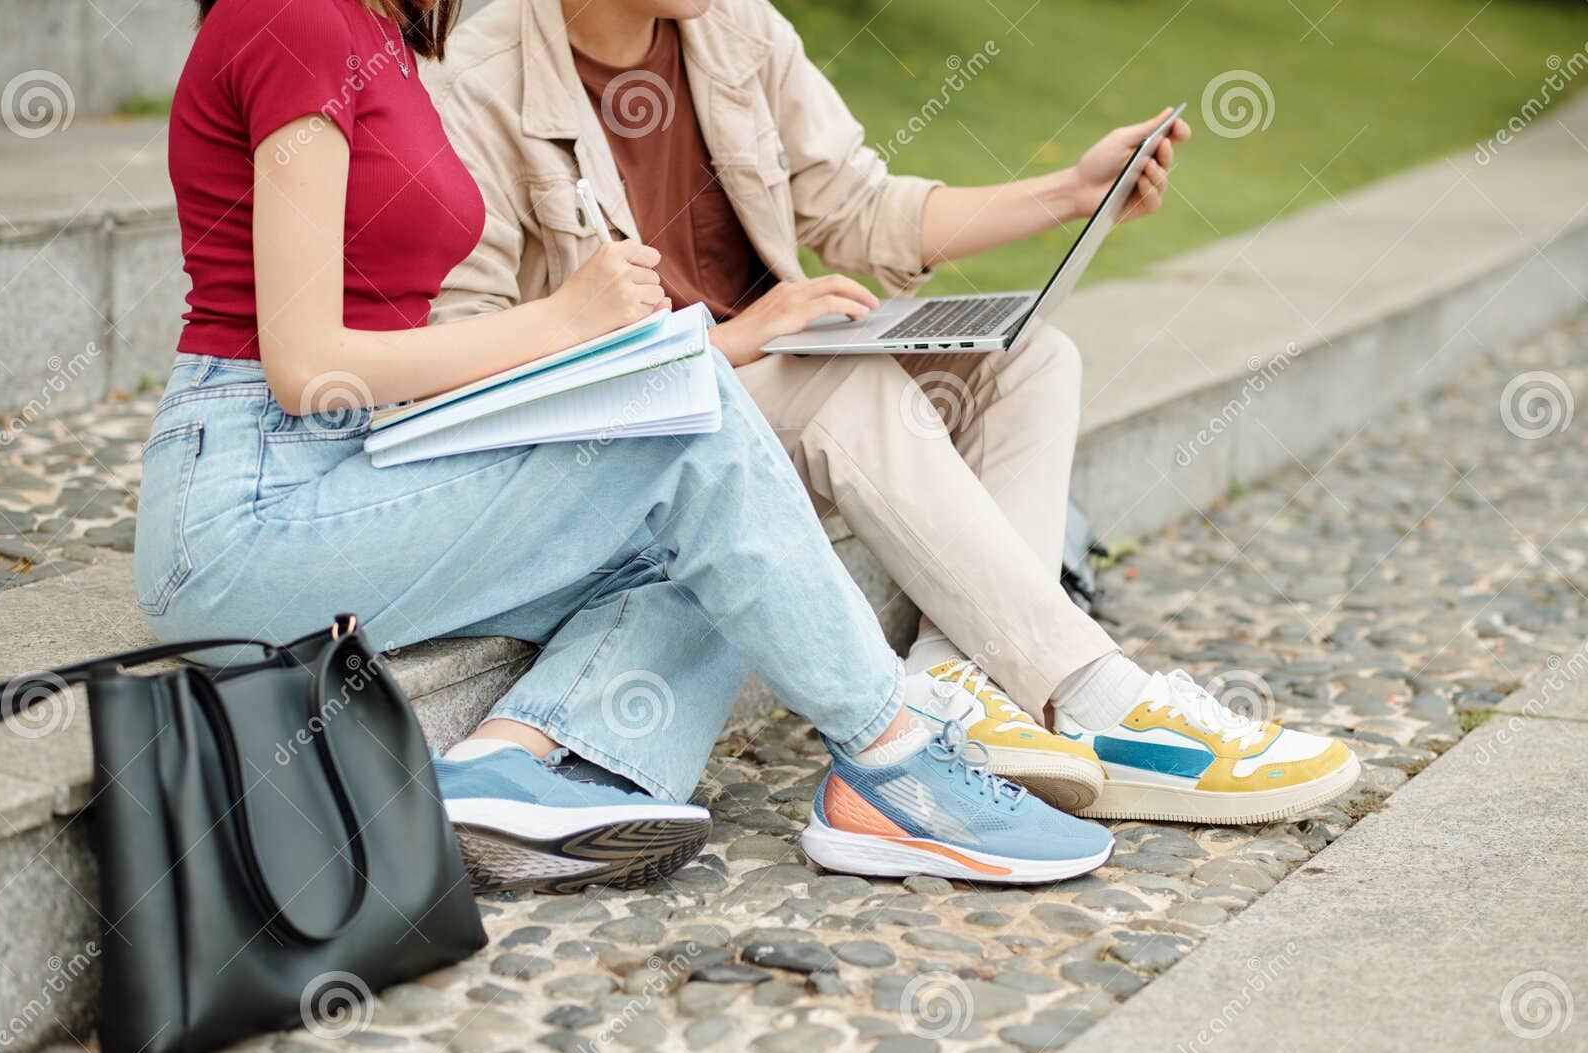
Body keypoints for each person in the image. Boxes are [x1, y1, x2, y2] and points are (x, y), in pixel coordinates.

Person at [139, 0, 1115, 895]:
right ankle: (896, 760)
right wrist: (576, 324)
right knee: (689, 415)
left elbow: (862, 209)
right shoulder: (296, 20)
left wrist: (601, 348)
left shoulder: (388, 33)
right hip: (254, 507)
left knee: (717, 535)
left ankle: (520, 758)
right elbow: (305, 365)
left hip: (363, 463)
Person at [429, 0, 1361, 825]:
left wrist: (1074, 195)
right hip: (634, 444)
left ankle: (957, 681)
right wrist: (739, 339)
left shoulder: (737, 28)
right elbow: (478, 371)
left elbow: (864, 210)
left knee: (1029, 356)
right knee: (847, 383)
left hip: (774, 389)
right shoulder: (478, 79)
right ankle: (1099, 697)